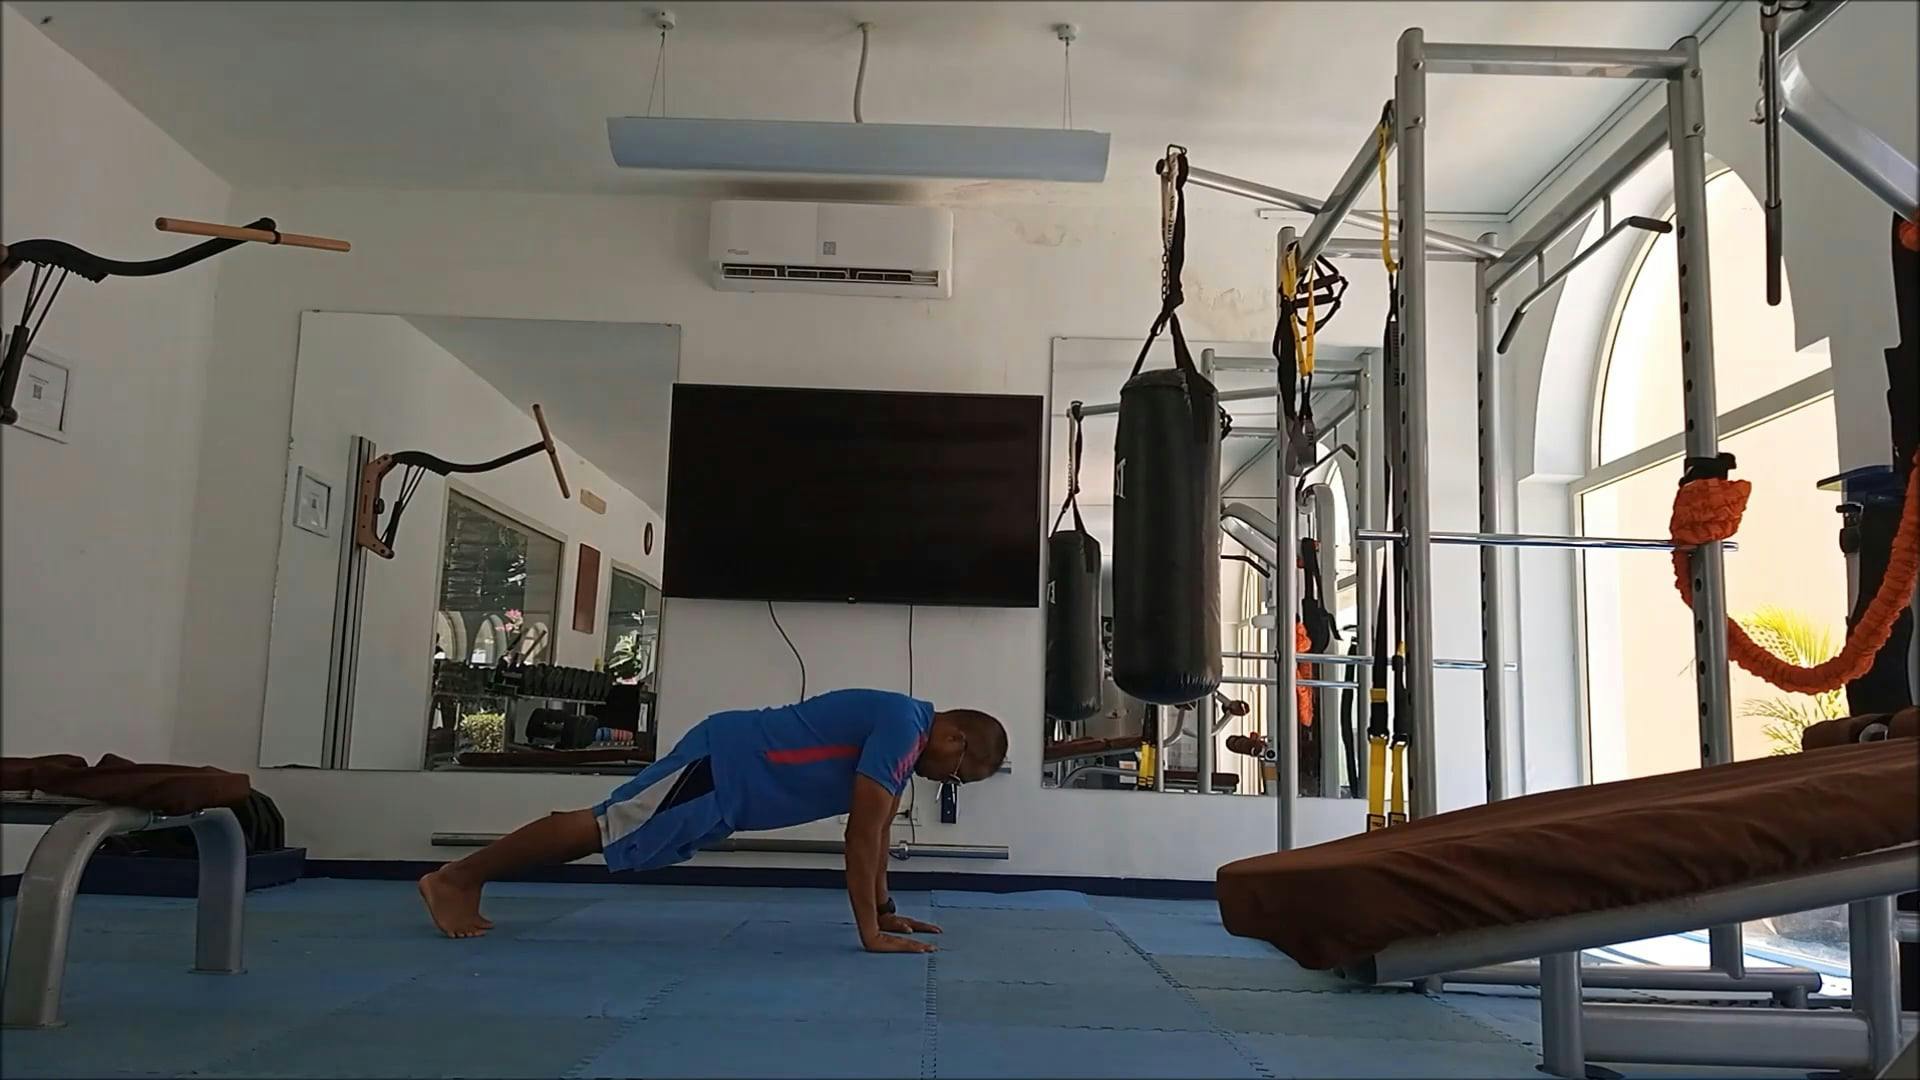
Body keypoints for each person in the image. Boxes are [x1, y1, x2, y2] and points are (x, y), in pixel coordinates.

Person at [419, 688, 1008, 954]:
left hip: (731, 783)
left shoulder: (903, 739)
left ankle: (464, 877)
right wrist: (869, 936)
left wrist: (885, 912)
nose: (945, 783)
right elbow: (859, 837)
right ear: (953, 737)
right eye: (958, 773)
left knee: (612, 831)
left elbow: (877, 835)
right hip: (724, 763)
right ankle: (457, 878)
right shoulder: (906, 728)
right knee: (604, 827)